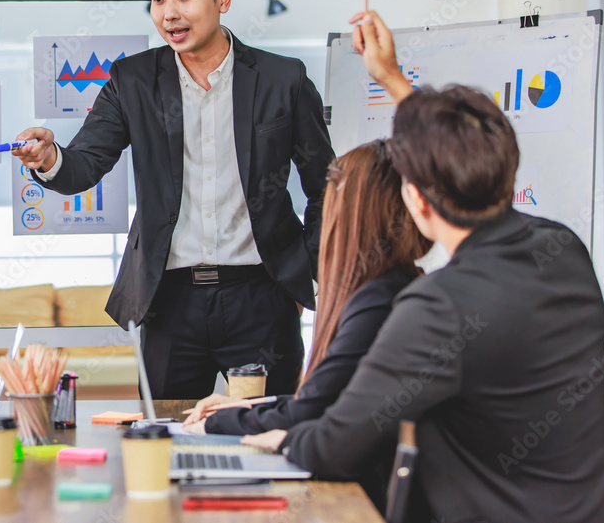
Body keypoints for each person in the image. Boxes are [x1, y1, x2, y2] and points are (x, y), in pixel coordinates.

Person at [240, 12, 604, 523]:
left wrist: (283, 436)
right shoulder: (563, 250)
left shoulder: (437, 307)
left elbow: (333, 446)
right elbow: (455, 152)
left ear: (417, 203)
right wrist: (391, 78)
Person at [12, 0, 334, 399]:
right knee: (164, 431)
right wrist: (49, 158)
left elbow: (327, 185)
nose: (169, 13)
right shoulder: (132, 81)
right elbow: (84, 163)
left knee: (268, 428)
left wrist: (311, 268)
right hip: (169, 300)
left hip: (262, 294)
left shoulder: (283, 79)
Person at [179, 139, 430, 508]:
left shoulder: (377, 300)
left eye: (335, 194)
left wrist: (216, 424)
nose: (325, 212)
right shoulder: (396, 283)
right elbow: (324, 400)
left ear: (359, 212)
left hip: (353, 496)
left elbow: (313, 410)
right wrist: (245, 408)